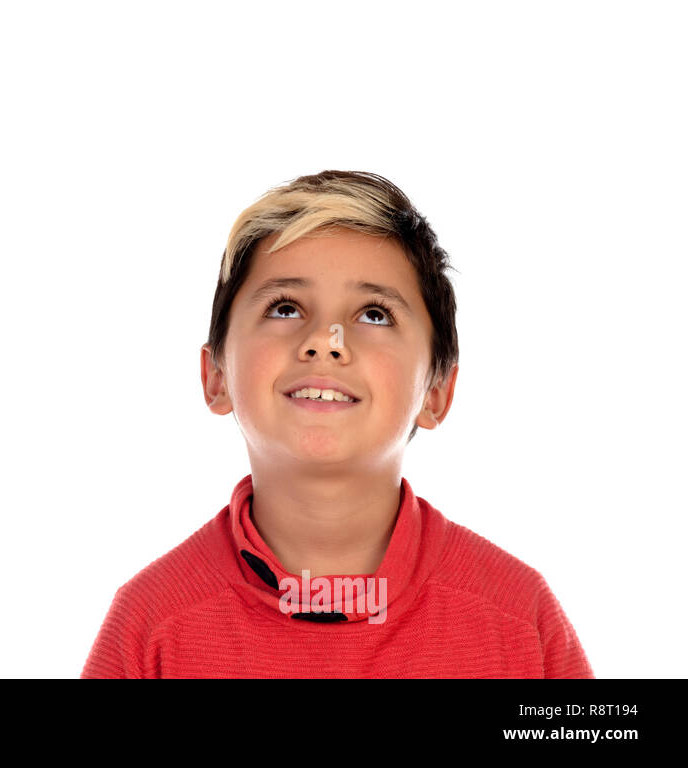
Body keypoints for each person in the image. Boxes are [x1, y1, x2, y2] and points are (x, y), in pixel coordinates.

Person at [81, 170, 593, 678]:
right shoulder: (149, 628)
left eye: (374, 314)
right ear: (216, 375)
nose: (326, 341)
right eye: (285, 307)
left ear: (437, 392)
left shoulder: (521, 622)